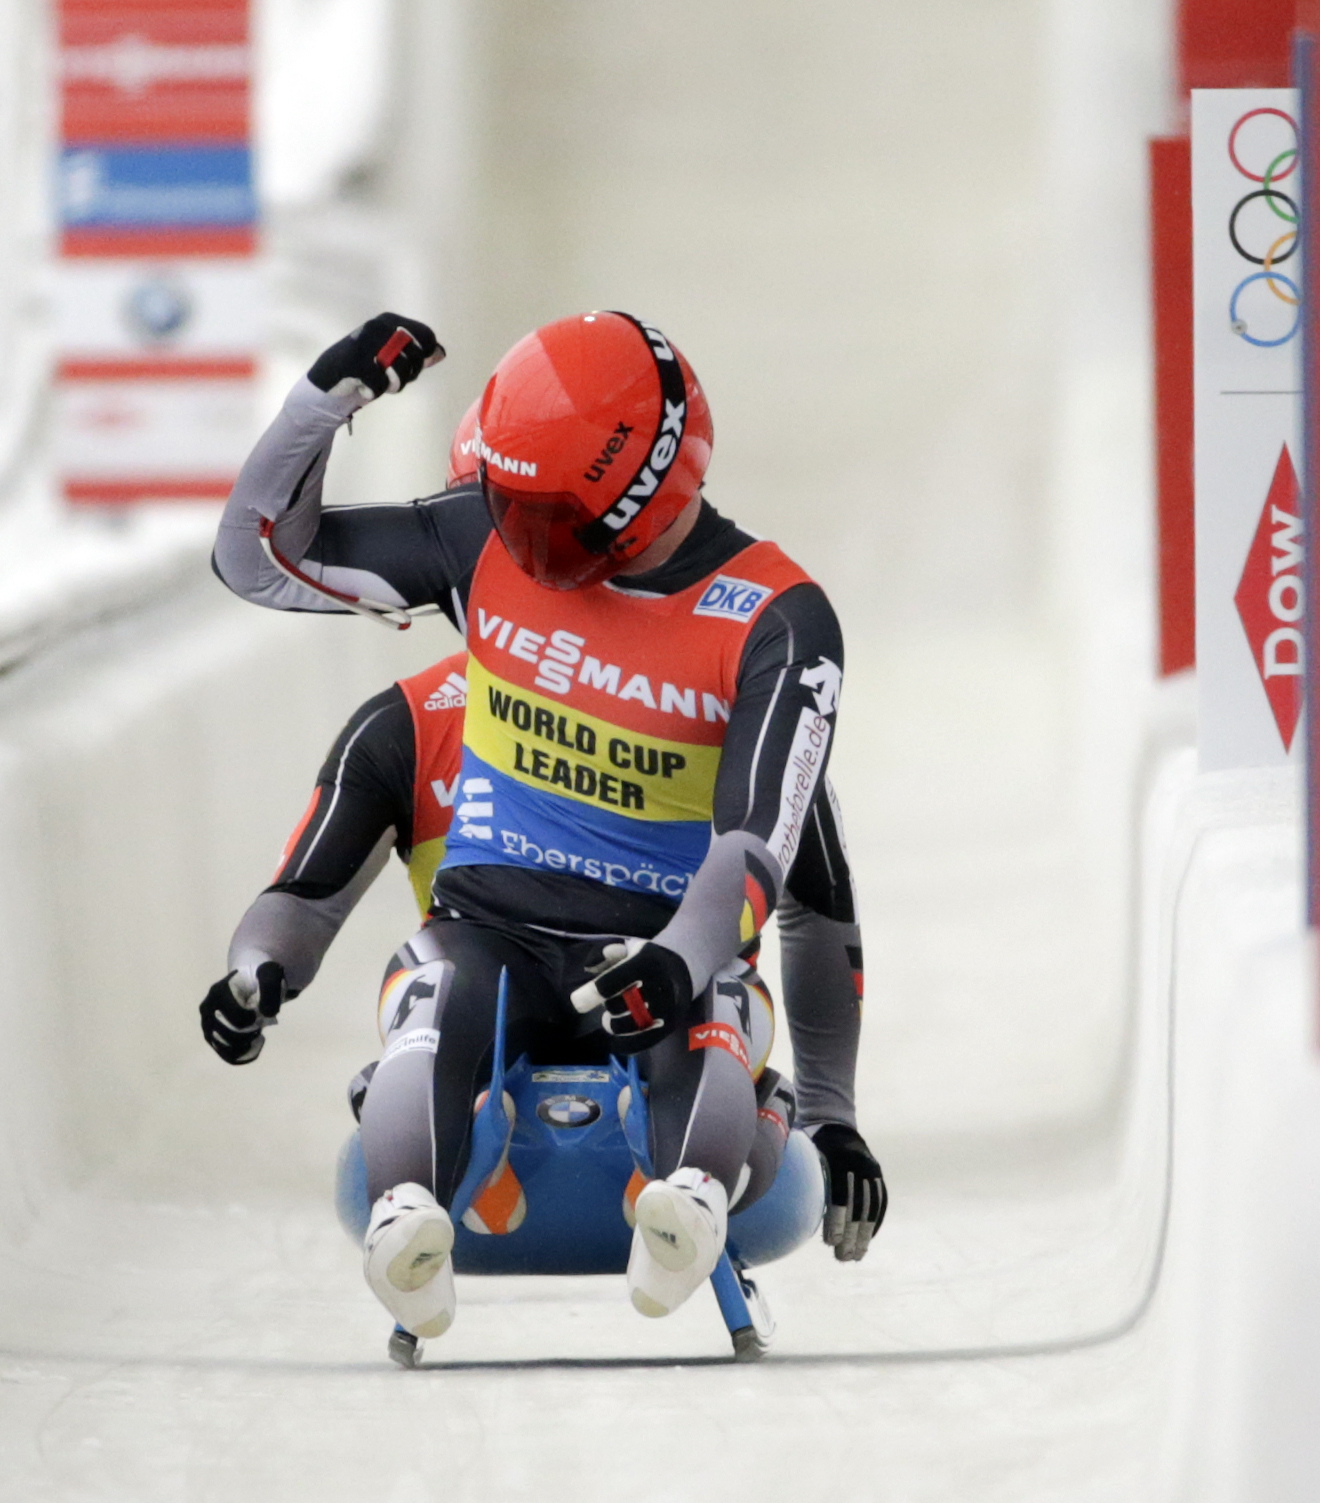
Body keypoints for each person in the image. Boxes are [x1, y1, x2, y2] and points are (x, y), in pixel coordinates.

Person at [209, 310, 885, 1339]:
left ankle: (690, 1195)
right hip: (491, 935)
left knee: (707, 1008)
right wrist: (324, 398)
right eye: (504, 510)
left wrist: (822, 1104)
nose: (527, 549)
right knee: (439, 986)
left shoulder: (777, 623)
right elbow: (258, 558)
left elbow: (771, 850)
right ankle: (410, 1214)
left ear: (653, 484)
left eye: (551, 520)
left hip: (667, 946)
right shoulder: (476, 555)